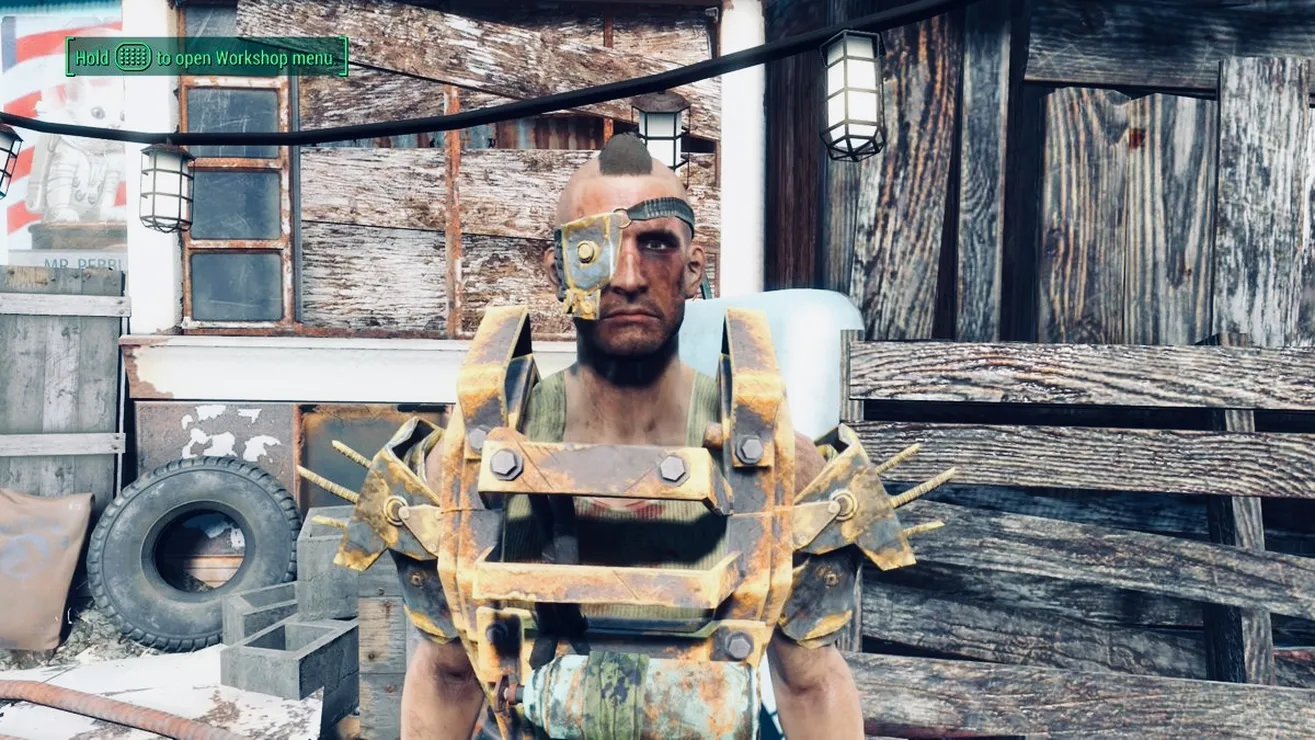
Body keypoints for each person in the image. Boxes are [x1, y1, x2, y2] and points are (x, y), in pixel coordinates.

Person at [400, 133, 864, 740]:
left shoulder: (771, 455)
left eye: (656, 244)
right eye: (592, 247)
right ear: (558, 268)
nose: (627, 277)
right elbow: (447, 676)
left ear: (694, 267)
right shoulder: (477, 451)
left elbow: (811, 683)